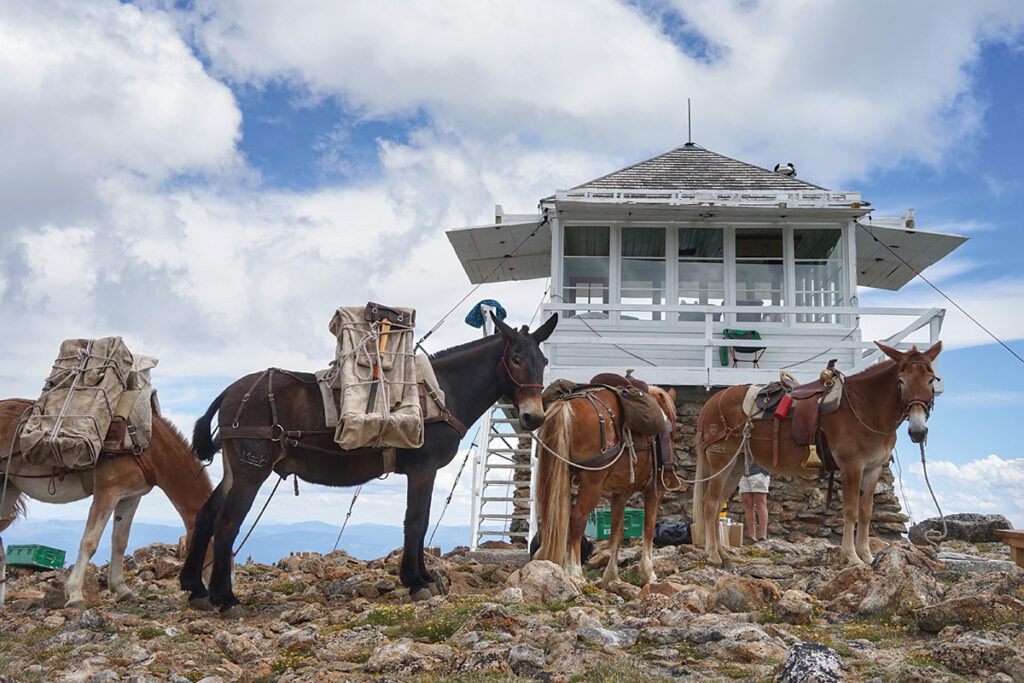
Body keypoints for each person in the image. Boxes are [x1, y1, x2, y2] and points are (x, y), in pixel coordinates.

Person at [739, 462, 770, 542]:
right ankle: (752, 536)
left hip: (759, 471)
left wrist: (765, 471)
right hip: (743, 472)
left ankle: (763, 536)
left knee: (761, 503)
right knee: (747, 504)